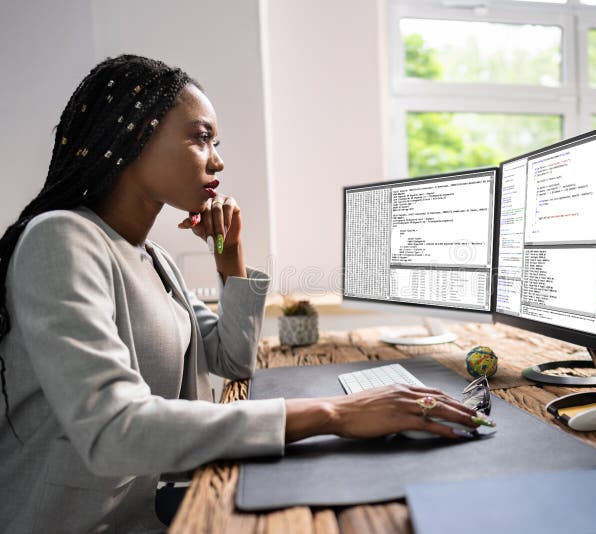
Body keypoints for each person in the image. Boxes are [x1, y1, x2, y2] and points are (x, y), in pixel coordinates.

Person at [0, 55, 487, 533]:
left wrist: (228, 254)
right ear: (135, 137)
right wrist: (335, 413)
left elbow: (232, 358)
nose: (217, 159)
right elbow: (113, 429)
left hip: (150, 511)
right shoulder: (62, 238)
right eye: (201, 138)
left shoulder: (153, 257)